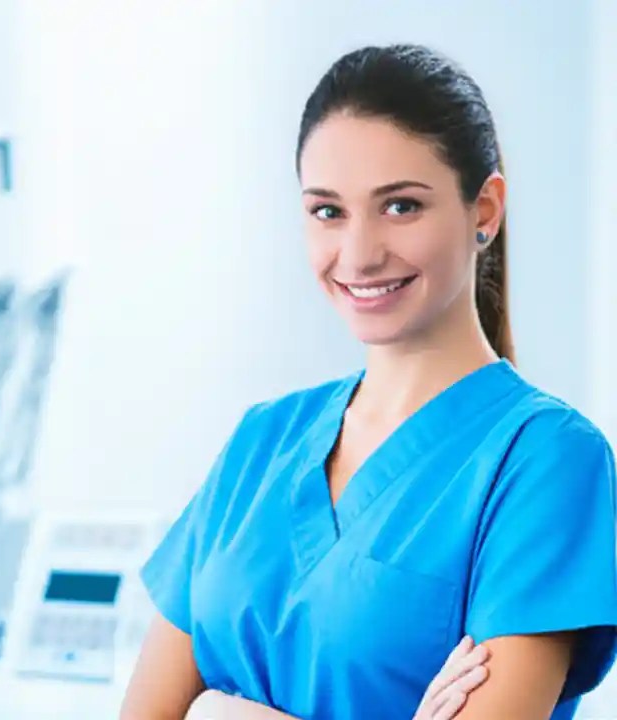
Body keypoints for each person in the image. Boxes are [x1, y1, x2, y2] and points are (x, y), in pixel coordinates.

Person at [120, 43, 617, 720]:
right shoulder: (261, 441)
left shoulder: (544, 461)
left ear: (484, 210)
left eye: (401, 206)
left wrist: (223, 712)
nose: (359, 254)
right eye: (328, 211)